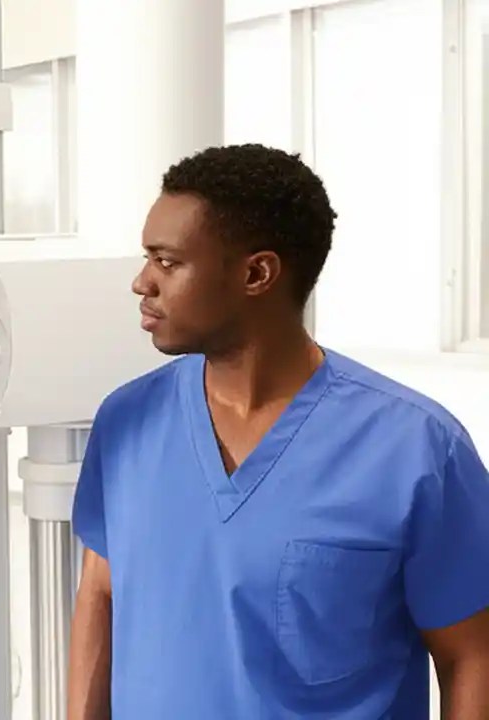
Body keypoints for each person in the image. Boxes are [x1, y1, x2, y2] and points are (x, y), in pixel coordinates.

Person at [67, 144, 489, 719]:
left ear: (256, 273)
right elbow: (101, 596)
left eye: (168, 262)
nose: (143, 282)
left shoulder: (417, 449)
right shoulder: (125, 422)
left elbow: (471, 656)